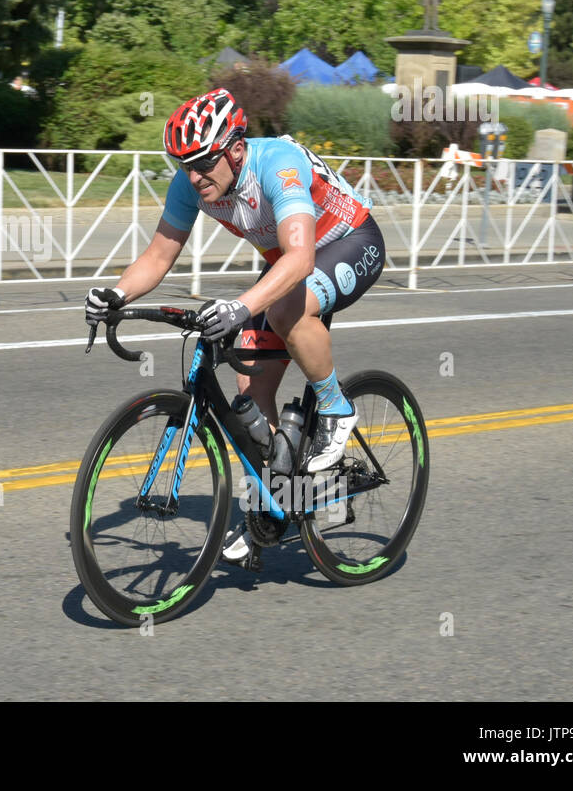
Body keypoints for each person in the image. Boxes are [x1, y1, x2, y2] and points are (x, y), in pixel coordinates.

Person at [83, 89, 386, 559]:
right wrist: (117, 295)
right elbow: (159, 254)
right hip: (289, 262)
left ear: (236, 149)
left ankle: (336, 410)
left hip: (349, 242)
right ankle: (270, 506)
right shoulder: (191, 185)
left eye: (204, 161)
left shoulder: (277, 163)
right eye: (184, 163)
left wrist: (240, 307)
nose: (194, 175)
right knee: (249, 383)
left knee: (283, 312)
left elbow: (302, 257)